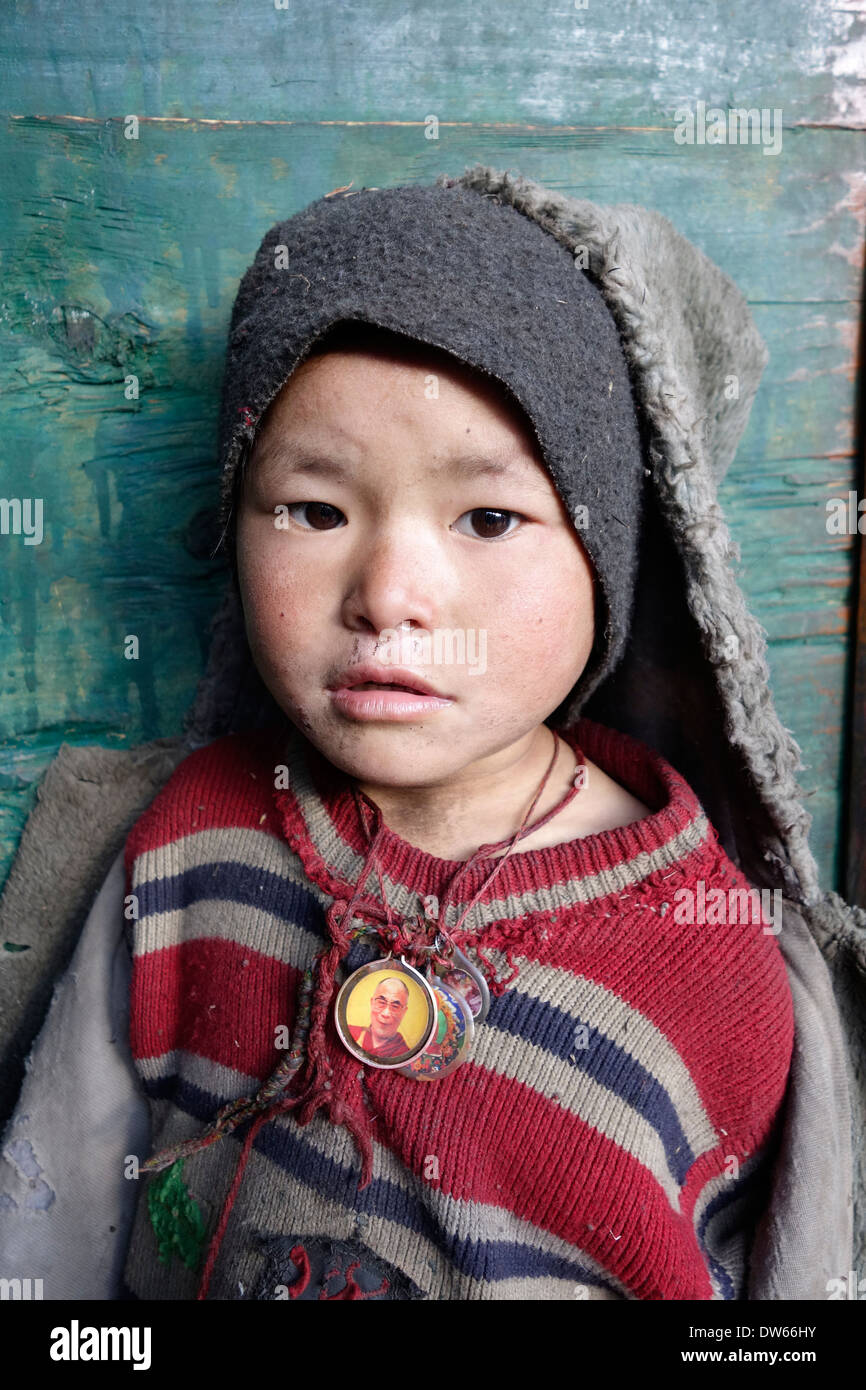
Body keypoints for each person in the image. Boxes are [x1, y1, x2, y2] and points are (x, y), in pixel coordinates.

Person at [0, 166, 860, 1303]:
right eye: (313, 510)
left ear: (609, 566)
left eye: (489, 518)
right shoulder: (188, 846)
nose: (390, 593)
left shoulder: (709, 960)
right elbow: (49, 1225)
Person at [348, 977, 411, 1059]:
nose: (386, 1013)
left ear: (404, 1012)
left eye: (395, 1006)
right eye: (381, 1002)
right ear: (372, 1003)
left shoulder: (404, 1053)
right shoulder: (350, 1033)